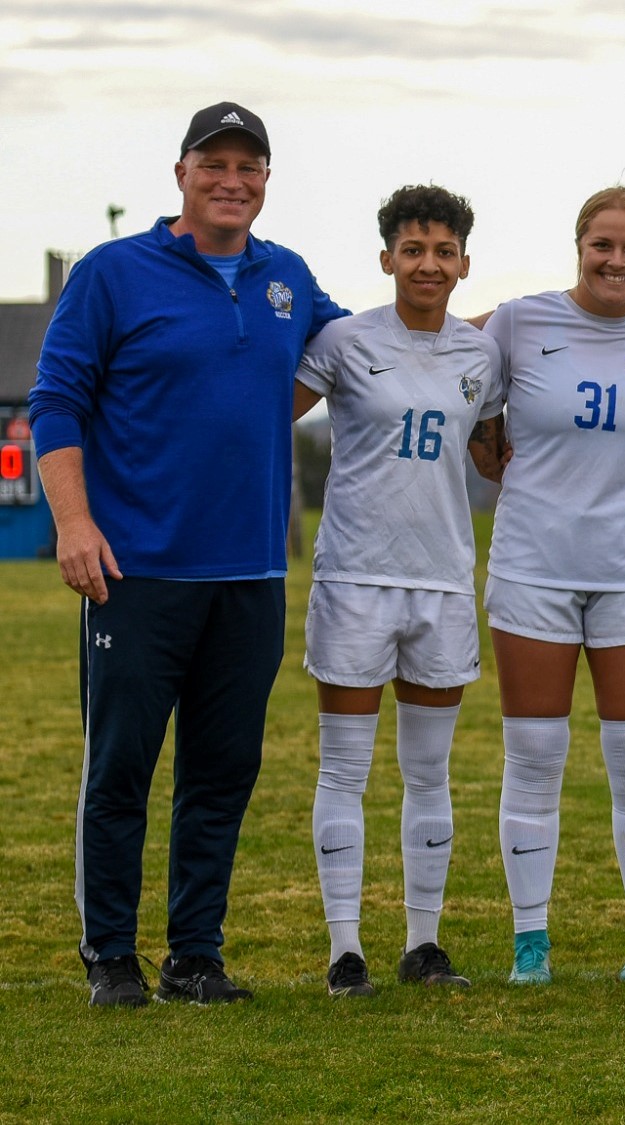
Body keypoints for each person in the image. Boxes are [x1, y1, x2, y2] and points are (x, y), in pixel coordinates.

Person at [30, 102, 346, 1006]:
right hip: (135, 572)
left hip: (249, 574)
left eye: (249, 166)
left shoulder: (287, 278)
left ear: (266, 181)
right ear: (181, 173)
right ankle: (110, 957)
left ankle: (194, 956)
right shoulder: (114, 273)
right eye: (215, 163)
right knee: (121, 768)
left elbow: (376, 347)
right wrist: (75, 522)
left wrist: (504, 329)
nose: (232, 180)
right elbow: (57, 400)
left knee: (222, 773)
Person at [481, 186, 625, 985]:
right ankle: (530, 943)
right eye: (603, 245)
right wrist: (490, 453)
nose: (618, 261)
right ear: (578, 246)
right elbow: (471, 399)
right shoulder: (519, 320)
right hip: (533, 566)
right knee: (536, 753)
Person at [294, 185, 503, 997]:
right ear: (386, 258)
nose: (427, 263)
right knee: (344, 770)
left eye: (443, 251)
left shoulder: (481, 356)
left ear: (462, 263)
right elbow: (269, 413)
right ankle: (346, 949)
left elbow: (492, 452)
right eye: (412, 249)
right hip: (353, 576)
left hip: (443, 579)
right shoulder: (344, 340)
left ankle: (424, 941)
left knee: (429, 772)